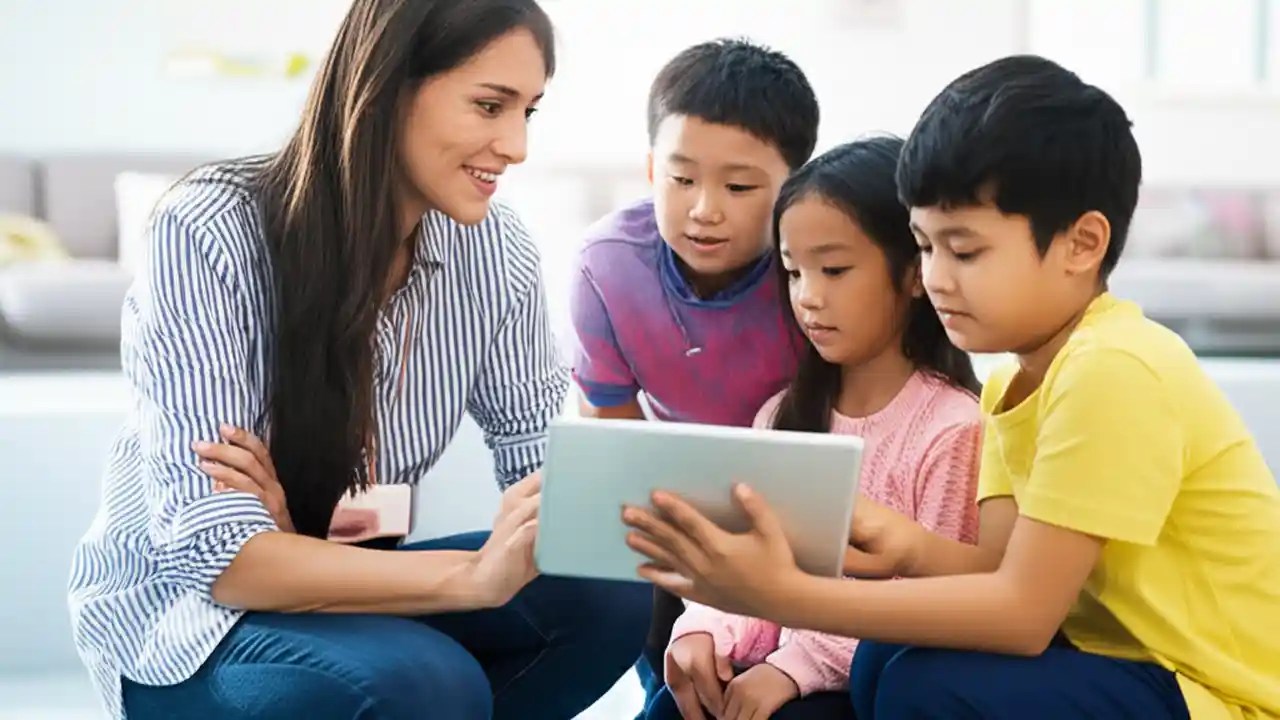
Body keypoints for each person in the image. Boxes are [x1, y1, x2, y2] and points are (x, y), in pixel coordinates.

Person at [621, 54, 1280, 720]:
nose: (935, 278)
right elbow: (995, 565)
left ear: (1082, 244)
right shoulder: (1013, 385)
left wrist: (783, 595)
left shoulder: (1112, 368)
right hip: (1120, 668)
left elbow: (1021, 612)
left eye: (963, 251)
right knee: (889, 658)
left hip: (1214, 693)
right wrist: (910, 545)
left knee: (928, 684)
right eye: (925, 246)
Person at [66, 2, 649, 718]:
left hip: (335, 576)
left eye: (528, 111)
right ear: (387, 86)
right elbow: (221, 557)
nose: (517, 145)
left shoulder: (496, 252)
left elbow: (544, 484)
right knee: (426, 682)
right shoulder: (210, 231)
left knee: (607, 593)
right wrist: (469, 579)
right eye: (490, 105)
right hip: (186, 624)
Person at [644, 137, 984, 720]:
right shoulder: (782, 416)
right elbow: (744, 564)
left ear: (913, 272)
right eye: (794, 272)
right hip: (772, 665)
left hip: (860, 686)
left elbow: (928, 608)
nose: (809, 297)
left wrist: (794, 668)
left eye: (834, 270)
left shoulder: (955, 428)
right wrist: (704, 631)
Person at [567, 38, 819, 710]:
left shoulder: (817, 272)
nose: (705, 208)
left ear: (794, 185)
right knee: (660, 652)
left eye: (739, 187)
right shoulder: (606, 266)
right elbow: (615, 442)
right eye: (680, 180)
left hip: (800, 504)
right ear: (651, 168)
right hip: (676, 502)